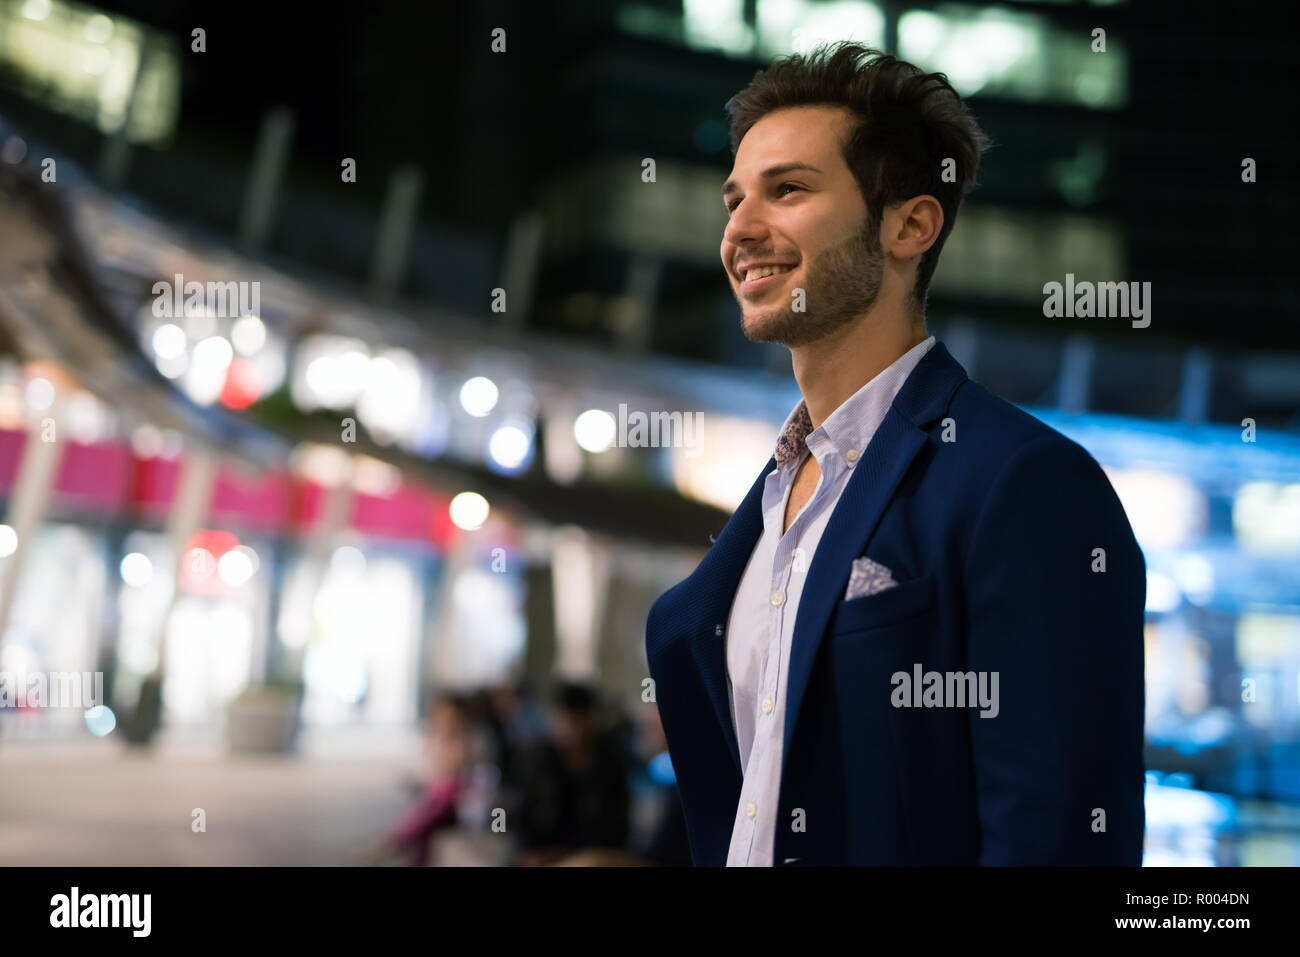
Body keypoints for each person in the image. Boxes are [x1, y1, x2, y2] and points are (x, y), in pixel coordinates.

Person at [645, 42, 1146, 866]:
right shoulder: (774, 498)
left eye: (789, 190)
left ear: (911, 224)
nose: (739, 228)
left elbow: (1057, 841)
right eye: (734, 199)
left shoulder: (1026, 485)